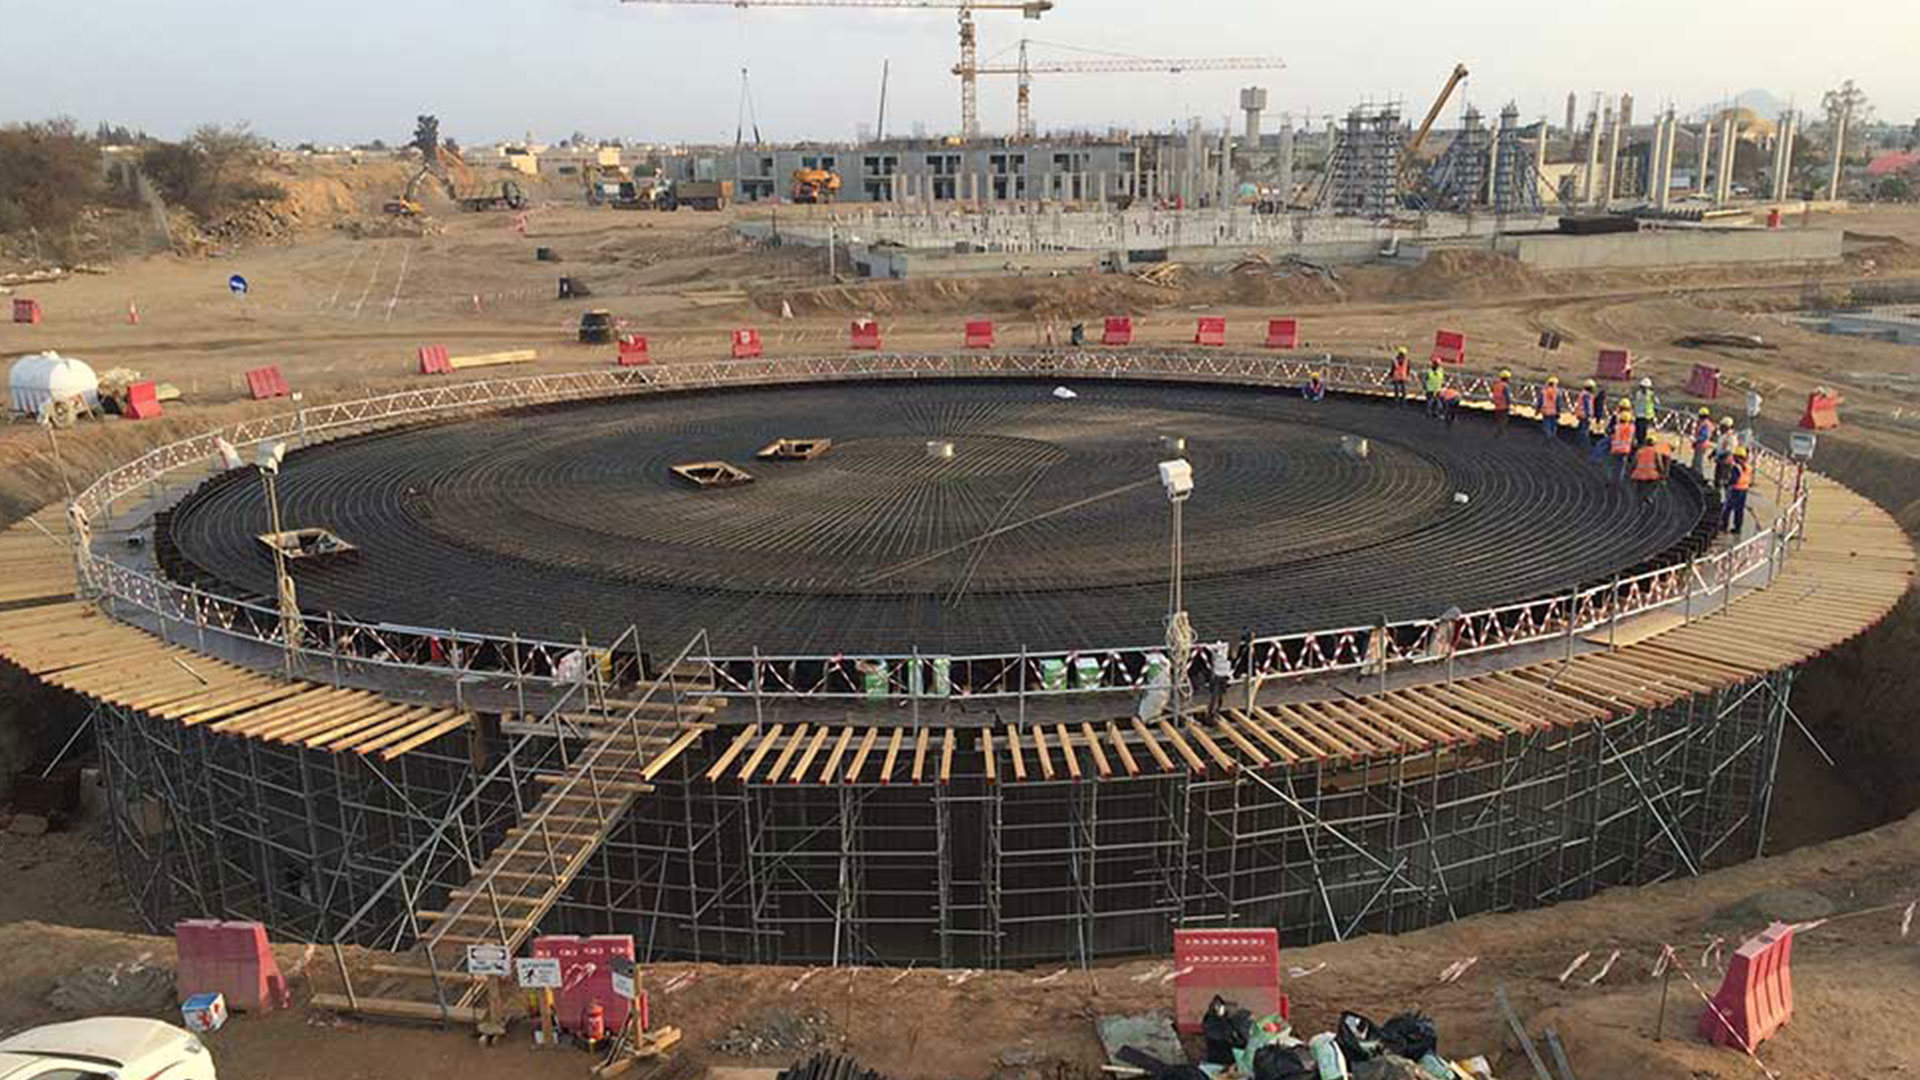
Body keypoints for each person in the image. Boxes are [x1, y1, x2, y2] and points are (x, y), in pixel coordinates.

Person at [1630, 434, 1670, 507]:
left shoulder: (1639, 451)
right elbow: (1659, 464)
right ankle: (1649, 498)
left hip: (1638, 474)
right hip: (1651, 475)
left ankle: (1638, 500)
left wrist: (1631, 472)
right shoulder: (1655, 452)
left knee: (1638, 487)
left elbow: (1633, 463)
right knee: (1657, 483)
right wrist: (1663, 473)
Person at [1722, 445, 1754, 534]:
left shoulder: (1736, 467)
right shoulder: (1748, 466)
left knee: (1727, 508)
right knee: (1739, 510)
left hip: (1735, 489)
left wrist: (1727, 484)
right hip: (1744, 489)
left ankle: (1724, 525)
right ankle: (1738, 527)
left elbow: (1734, 479)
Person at [1608, 400, 1635, 485]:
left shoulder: (1617, 424)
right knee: (1621, 467)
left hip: (1614, 448)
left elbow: (1609, 430)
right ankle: (1618, 481)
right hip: (1625, 449)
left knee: (1612, 465)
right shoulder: (1631, 425)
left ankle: (1611, 480)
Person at [1713, 415, 1740, 491]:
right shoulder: (1723, 435)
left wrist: (1720, 457)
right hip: (1720, 461)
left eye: (1723, 426)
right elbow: (1719, 447)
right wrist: (1714, 453)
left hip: (1726, 462)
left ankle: (1724, 498)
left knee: (1724, 480)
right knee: (1717, 479)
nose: (1721, 428)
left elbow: (1729, 450)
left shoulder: (1731, 437)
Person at [1631, 376, 1659, 444]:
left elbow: (1657, 404)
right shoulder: (1638, 393)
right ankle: (1639, 443)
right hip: (1638, 415)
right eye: (1642, 387)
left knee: (1643, 432)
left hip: (1647, 417)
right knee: (1638, 432)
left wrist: (1655, 414)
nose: (1643, 389)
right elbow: (1635, 403)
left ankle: (1642, 444)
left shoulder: (1651, 394)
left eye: (1645, 387)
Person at [1689, 406, 1716, 477]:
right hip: (1701, 444)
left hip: (1701, 444)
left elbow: (1704, 436)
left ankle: (1698, 475)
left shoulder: (1705, 424)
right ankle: (1695, 474)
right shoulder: (1705, 423)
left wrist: (1696, 440)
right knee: (1696, 461)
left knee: (1698, 462)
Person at [1539, 375, 1562, 439]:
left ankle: (1548, 437)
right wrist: (1559, 411)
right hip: (1554, 411)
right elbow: (1558, 403)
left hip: (1545, 411)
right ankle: (1553, 437)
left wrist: (1537, 410)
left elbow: (1540, 401)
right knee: (1553, 425)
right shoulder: (1557, 392)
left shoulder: (1544, 391)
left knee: (1546, 425)